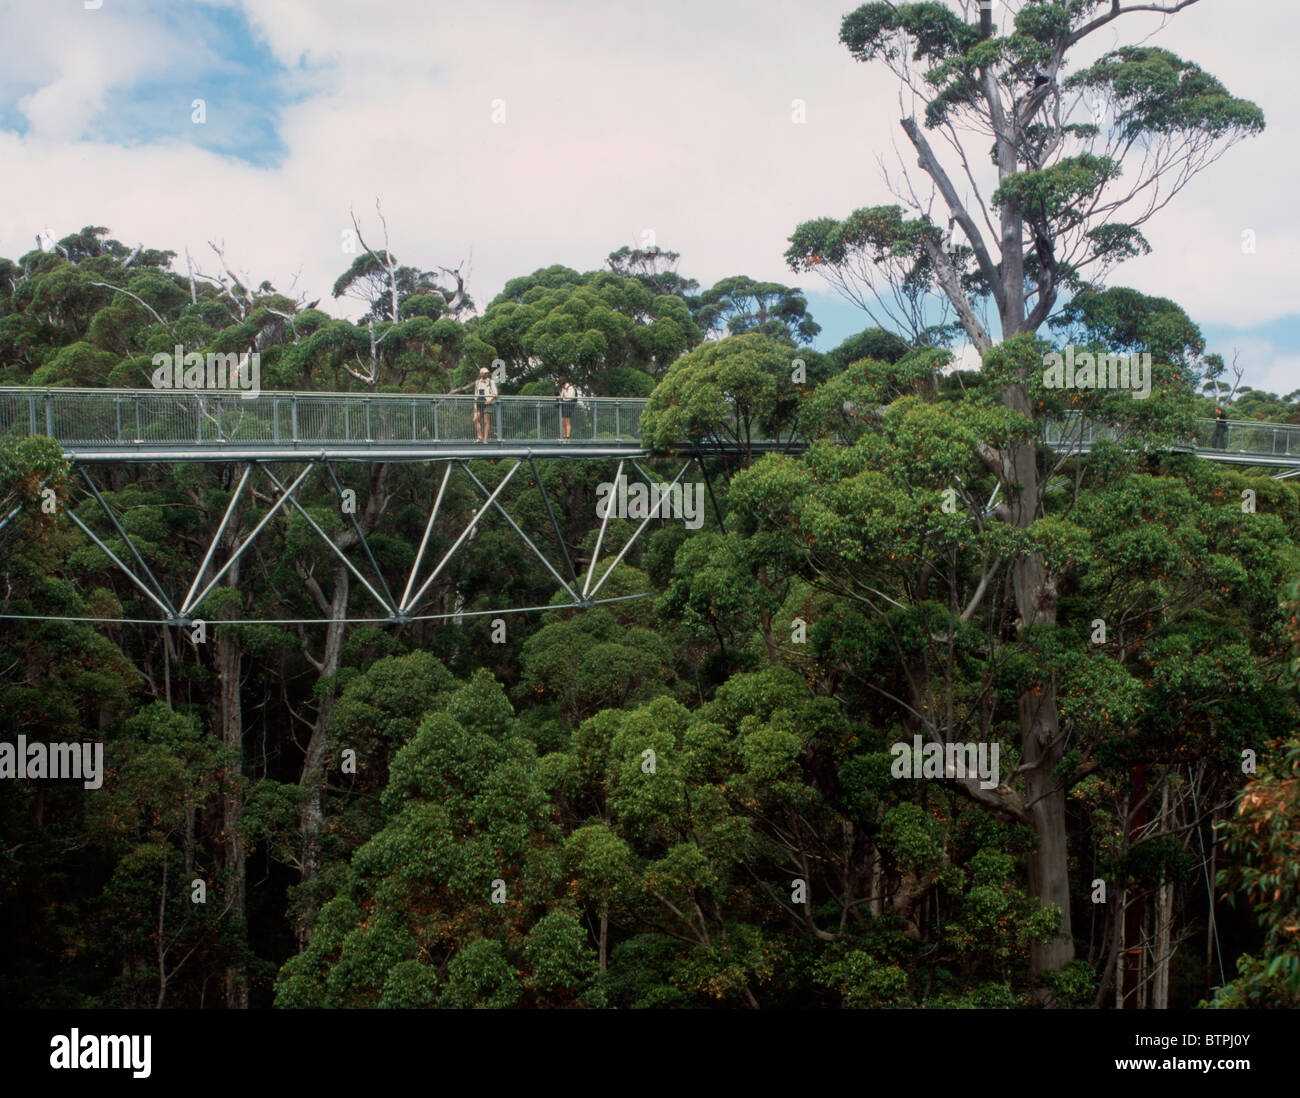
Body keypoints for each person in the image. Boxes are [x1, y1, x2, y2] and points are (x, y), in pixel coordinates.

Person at [473, 366, 498, 443]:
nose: (486, 374)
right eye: (484, 373)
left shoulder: (491, 382)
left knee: (486, 421)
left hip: (487, 402)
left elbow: (495, 393)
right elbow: (476, 394)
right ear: (481, 374)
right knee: (475, 419)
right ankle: (480, 436)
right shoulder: (478, 382)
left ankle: (485, 439)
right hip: (479, 402)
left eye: (487, 373)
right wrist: (475, 404)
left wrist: (490, 400)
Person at [557, 375, 577, 442]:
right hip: (564, 405)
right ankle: (564, 436)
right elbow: (562, 396)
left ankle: (567, 437)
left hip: (568, 405)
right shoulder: (563, 388)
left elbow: (570, 398)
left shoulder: (570, 388)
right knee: (562, 421)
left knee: (567, 421)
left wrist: (563, 398)